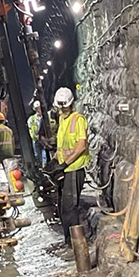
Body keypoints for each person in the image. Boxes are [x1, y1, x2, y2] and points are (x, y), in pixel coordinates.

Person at [52, 86, 90, 245]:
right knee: (63, 207)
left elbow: (81, 146)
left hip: (74, 168)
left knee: (70, 207)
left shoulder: (78, 119)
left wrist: (65, 163)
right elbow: (62, 146)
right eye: (61, 107)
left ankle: (77, 244)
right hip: (66, 168)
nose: (63, 109)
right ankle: (69, 241)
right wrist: (55, 160)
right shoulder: (62, 120)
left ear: (72, 104)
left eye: (65, 106)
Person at [27, 101, 47, 167]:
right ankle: (39, 165)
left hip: (44, 138)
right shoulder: (31, 119)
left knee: (44, 153)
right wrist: (35, 136)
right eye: (36, 108)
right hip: (36, 139)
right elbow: (30, 128)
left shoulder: (45, 117)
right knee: (37, 154)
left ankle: (44, 166)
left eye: (39, 108)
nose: (38, 110)